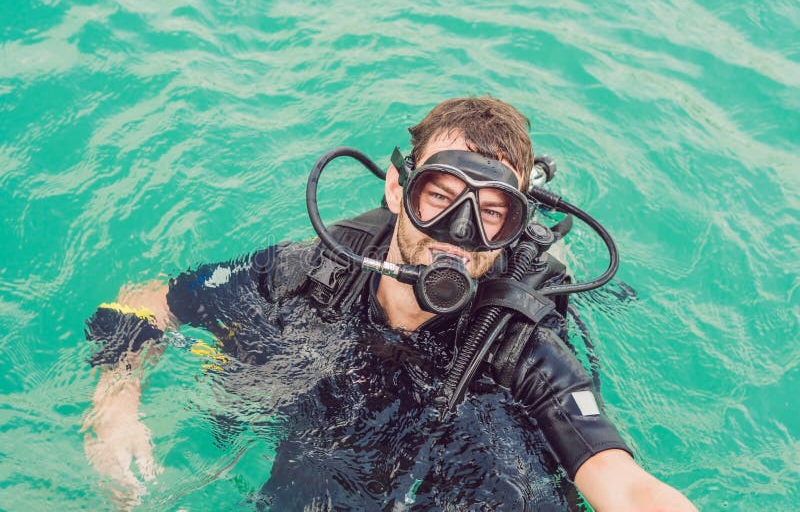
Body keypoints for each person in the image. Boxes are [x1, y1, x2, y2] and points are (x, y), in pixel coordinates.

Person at [83, 96, 697, 510]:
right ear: (399, 187)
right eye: (441, 197)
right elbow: (148, 300)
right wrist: (115, 407)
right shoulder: (315, 271)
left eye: (489, 214)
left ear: (514, 226)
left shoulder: (518, 339)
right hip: (340, 390)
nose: (458, 235)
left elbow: (624, 483)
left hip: (478, 424)